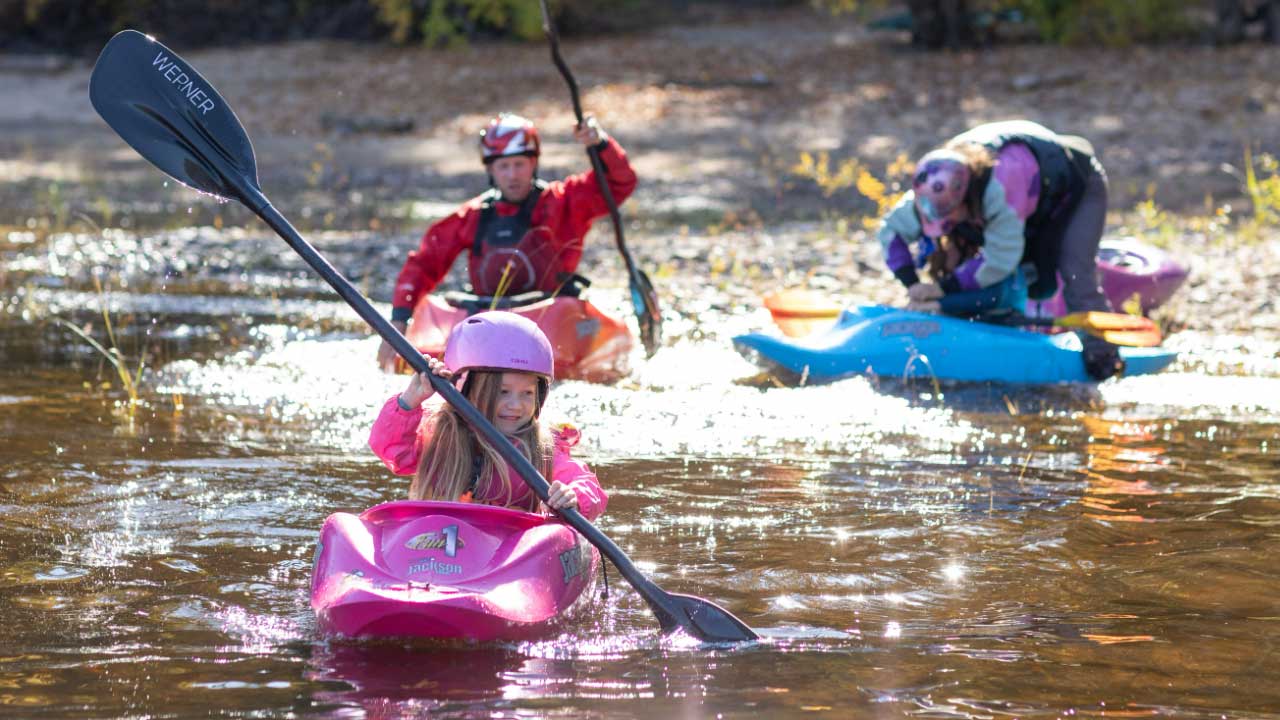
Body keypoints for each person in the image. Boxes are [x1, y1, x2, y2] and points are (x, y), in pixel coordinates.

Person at [377, 112, 638, 371]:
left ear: (533, 164)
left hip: (552, 316)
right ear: (491, 169)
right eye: (504, 166)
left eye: (519, 164)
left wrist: (600, 144)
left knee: (568, 307)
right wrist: (399, 321)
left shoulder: (564, 201)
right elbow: (424, 264)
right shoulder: (473, 215)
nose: (512, 175)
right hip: (488, 317)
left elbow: (619, 183)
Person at [875, 119, 1124, 380]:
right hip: (1027, 198)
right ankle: (988, 325)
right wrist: (912, 283)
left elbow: (999, 261)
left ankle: (1104, 358)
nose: (942, 224)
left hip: (1076, 187)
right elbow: (890, 232)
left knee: (1074, 271)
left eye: (949, 217)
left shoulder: (1001, 186)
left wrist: (941, 292)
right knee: (956, 256)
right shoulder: (935, 187)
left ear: (967, 195)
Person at [369, 311, 607, 520]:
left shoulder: (542, 448)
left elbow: (587, 485)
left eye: (527, 393)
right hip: (441, 544)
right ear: (468, 389)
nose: (516, 405)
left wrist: (573, 497)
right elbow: (393, 452)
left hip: (512, 553)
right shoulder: (439, 434)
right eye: (502, 392)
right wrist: (409, 401)